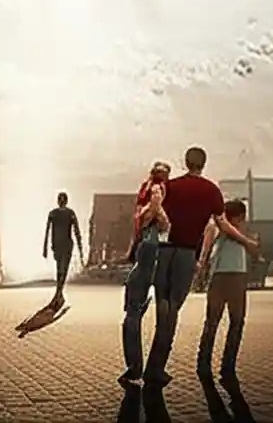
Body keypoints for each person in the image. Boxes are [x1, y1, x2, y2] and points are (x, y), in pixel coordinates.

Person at [133, 146, 260, 389]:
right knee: (173, 308)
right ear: (204, 163)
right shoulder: (212, 191)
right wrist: (247, 242)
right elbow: (222, 223)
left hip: (165, 249)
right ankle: (155, 368)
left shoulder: (173, 186)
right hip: (186, 255)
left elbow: (153, 213)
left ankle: (155, 367)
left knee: (163, 304)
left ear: (185, 162)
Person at [120, 162, 171, 386]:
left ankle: (136, 366)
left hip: (149, 250)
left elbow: (154, 207)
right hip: (160, 251)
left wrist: (158, 216)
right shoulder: (158, 187)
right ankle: (154, 368)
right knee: (165, 312)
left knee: (133, 309)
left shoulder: (153, 188)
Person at [195, 199, 255, 383]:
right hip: (222, 277)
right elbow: (206, 249)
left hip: (236, 276)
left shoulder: (236, 232)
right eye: (241, 217)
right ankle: (204, 362)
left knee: (236, 322)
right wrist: (202, 266)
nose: (242, 221)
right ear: (237, 216)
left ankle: (227, 365)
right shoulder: (218, 227)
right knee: (213, 321)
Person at [43, 191, 83, 309]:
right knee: (63, 269)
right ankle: (59, 292)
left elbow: (47, 232)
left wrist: (45, 247)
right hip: (64, 245)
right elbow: (77, 232)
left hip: (58, 245)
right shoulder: (69, 213)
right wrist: (80, 249)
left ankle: (58, 293)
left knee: (60, 268)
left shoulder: (53, 214)